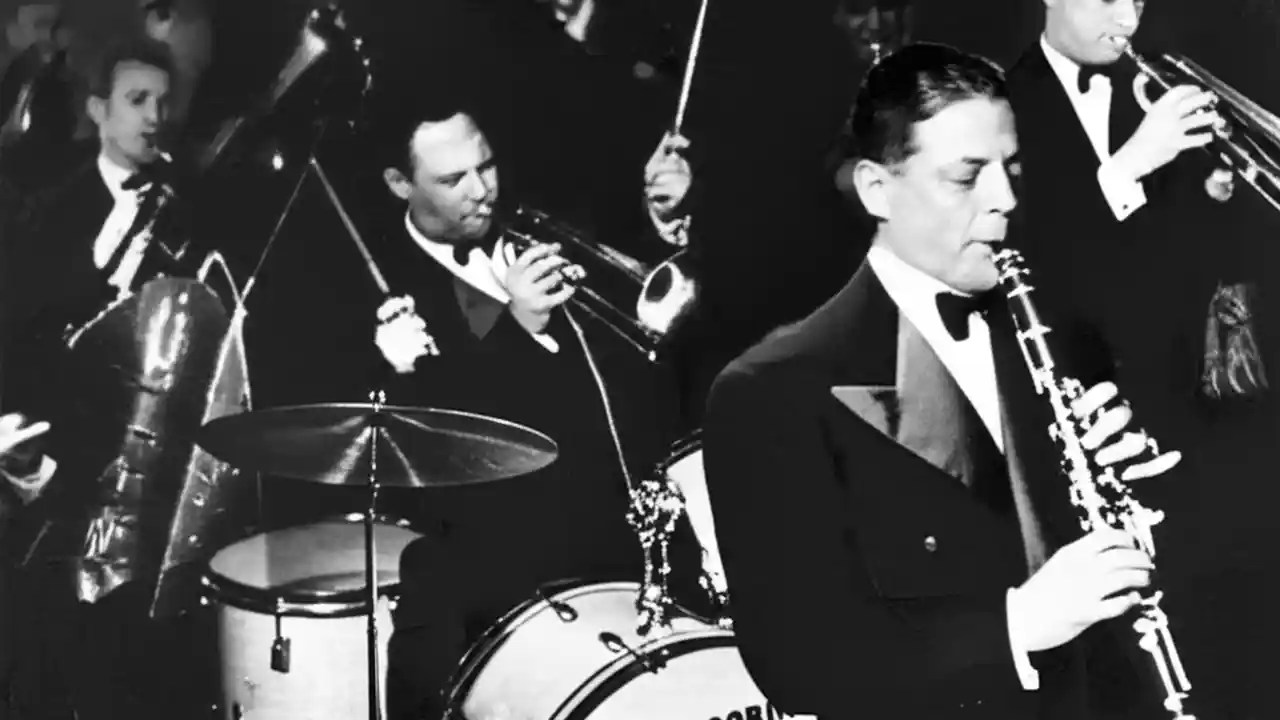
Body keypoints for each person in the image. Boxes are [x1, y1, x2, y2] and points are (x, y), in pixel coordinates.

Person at [701, 42, 1182, 720]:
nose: (1005, 200)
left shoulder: (1060, 333)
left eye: (1011, 168)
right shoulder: (771, 392)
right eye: (967, 177)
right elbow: (801, 663)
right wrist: (1017, 625)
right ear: (876, 190)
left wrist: (1139, 496)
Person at [366, 93, 701, 720]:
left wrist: (664, 221)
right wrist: (519, 326)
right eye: (451, 179)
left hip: (617, 529)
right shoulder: (380, 289)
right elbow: (442, 453)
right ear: (397, 184)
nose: (480, 191)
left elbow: (664, 336)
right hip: (492, 558)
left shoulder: (542, 227)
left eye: (485, 166)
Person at [1005, 2, 1276, 715]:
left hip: (1210, 424)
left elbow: (1215, 276)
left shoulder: (1156, 84)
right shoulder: (999, 101)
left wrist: (1220, 201)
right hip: (1092, 435)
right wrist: (1128, 168)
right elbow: (1024, 265)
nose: (1126, 15)